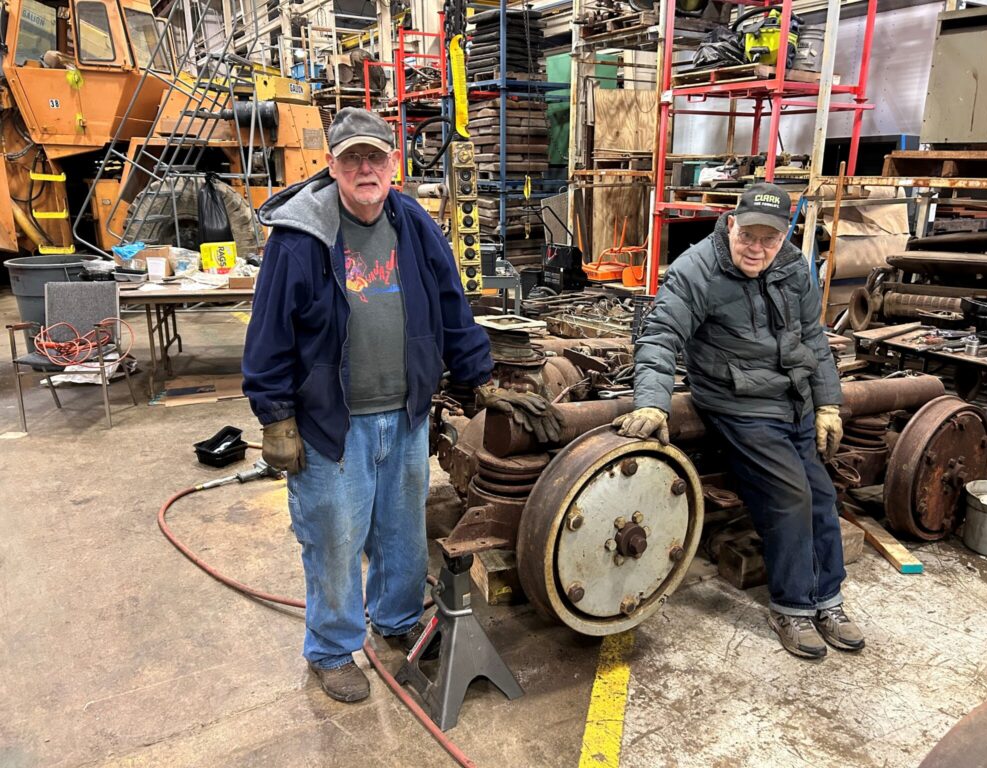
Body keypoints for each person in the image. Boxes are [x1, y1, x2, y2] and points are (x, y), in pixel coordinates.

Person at [242, 108, 559, 702]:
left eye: (375, 158)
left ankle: (395, 620)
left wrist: (476, 376)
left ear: (393, 164)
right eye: (351, 158)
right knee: (334, 537)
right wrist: (275, 416)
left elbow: (449, 301)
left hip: (407, 414)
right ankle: (333, 649)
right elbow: (268, 336)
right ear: (331, 165)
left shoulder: (412, 222)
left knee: (400, 533)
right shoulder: (300, 237)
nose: (365, 168)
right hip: (331, 423)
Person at [613, 183, 863, 660]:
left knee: (823, 497)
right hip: (741, 405)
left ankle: (827, 600)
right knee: (791, 494)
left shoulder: (791, 266)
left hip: (796, 401)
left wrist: (828, 404)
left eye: (769, 239)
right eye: (748, 235)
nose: (756, 248)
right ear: (731, 223)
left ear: (785, 235)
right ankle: (791, 606)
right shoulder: (698, 270)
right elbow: (661, 335)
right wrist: (651, 403)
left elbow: (813, 337)